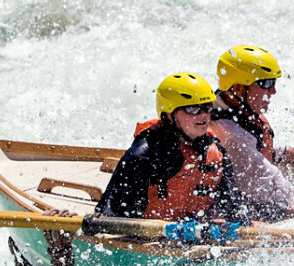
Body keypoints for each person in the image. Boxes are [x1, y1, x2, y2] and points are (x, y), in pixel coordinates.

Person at [99, 72, 242, 220]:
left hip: (193, 236)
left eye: (207, 107)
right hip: (145, 237)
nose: (203, 115)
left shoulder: (217, 153)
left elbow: (234, 209)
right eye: (193, 109)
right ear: (169, 115)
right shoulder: (145, 154)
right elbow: (108, 213)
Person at [208, 45, 294, 220]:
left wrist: (286, 154)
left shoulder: (228, 106)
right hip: (238, 211)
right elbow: (269, 183)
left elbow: (251, 156)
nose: (273, 91)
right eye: (266, 83)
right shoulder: (233, 134)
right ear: (239, 88)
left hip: (251, 191)